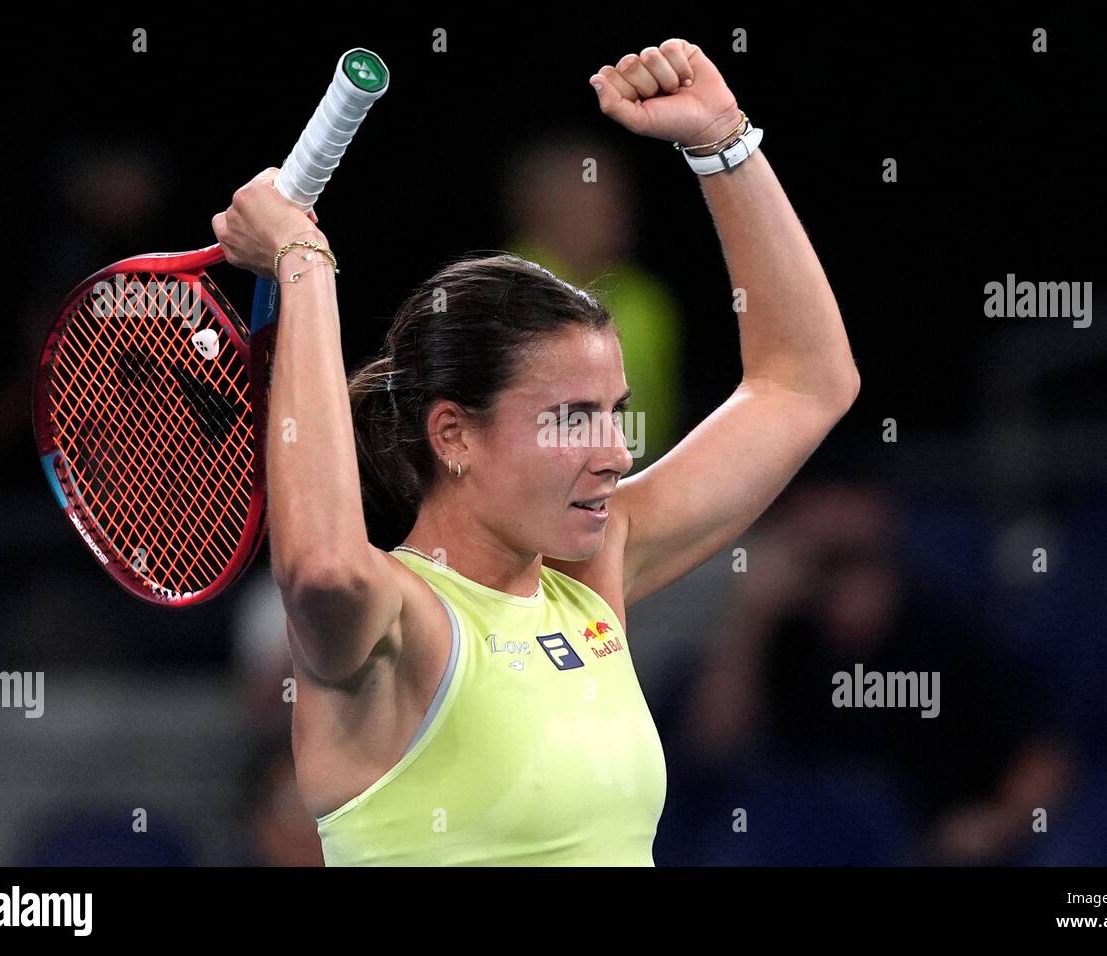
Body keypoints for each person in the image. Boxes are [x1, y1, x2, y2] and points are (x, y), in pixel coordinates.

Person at [211, 37, 860, 865]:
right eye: (571, 418)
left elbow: (807, 383)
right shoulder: (392, 621)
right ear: (454, 435)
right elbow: (323, 567)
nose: (617, 453)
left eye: (613, 414)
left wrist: (725, 143)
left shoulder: (590, 580)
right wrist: (305, 266)